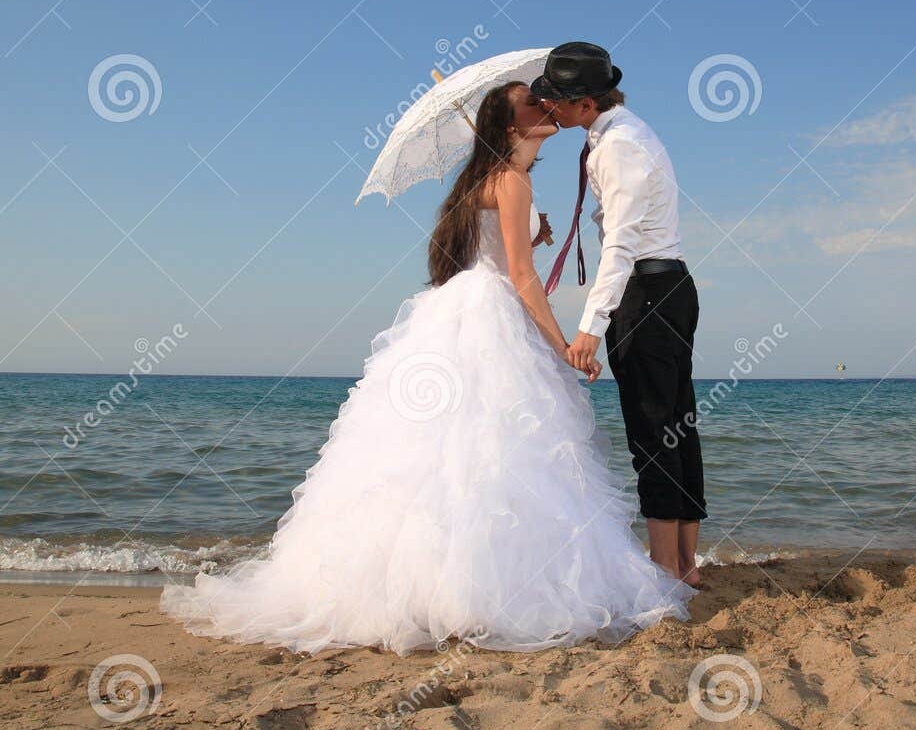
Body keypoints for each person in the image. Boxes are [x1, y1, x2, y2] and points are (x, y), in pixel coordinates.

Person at [161, 81, 689, 654]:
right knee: (491, 452)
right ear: (512, 128)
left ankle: (433, 593)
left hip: (458, 313)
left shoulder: (479, 185)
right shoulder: (510, 180)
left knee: (455, 457)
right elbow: (521, 279)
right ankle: (484, 593)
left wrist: (530, 234)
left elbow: (494, 257)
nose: (546, 108)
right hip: (494, 319)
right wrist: (564, 343)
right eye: (532, 105)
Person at [531, 42, 706, 585]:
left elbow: (622, 245)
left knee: (655, 429)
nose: (549, 109)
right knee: (675, 423)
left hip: (647, 291)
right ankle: (683, 562)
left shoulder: (619, 145)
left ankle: (667, 564)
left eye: (557, 101)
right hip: (665, 287)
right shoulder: (616, 134)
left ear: (586, 102)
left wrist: (590, 326)